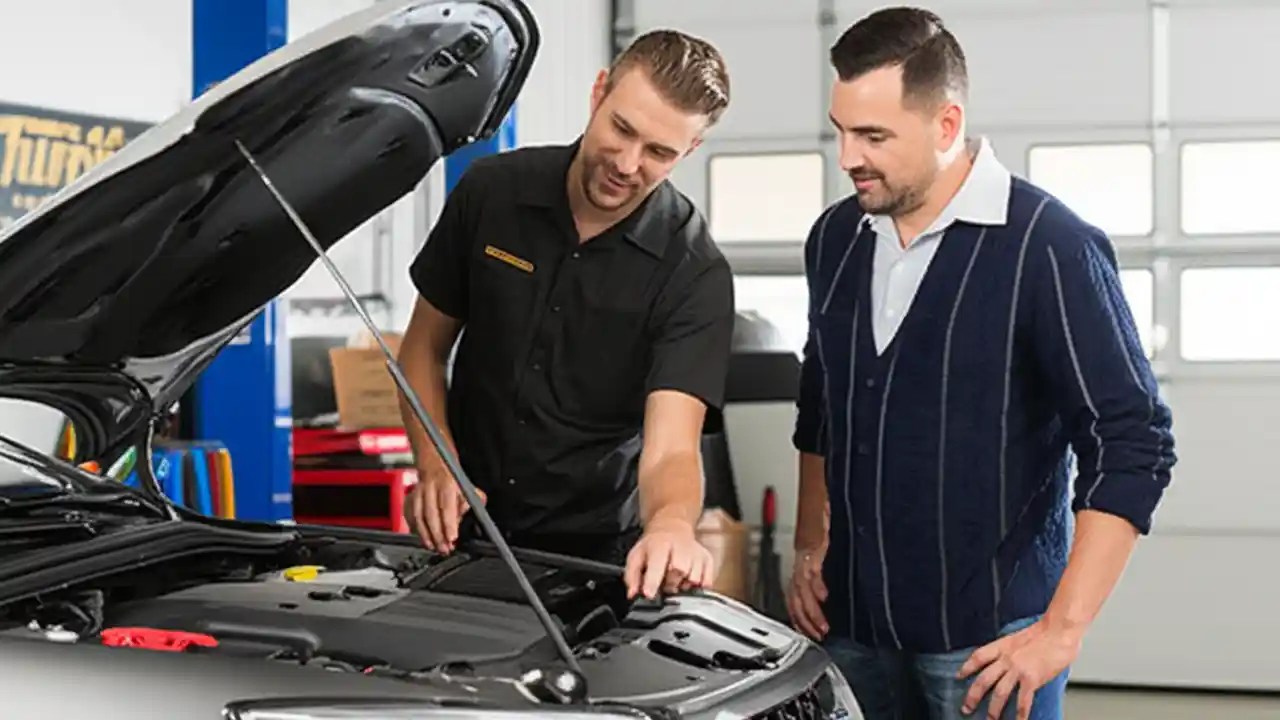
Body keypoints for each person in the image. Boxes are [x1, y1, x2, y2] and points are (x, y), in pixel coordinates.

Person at [785, 7, 1176, 720]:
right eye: (841, 129)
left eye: (873, 136)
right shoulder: (835, 238)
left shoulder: (1048, 246)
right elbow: (821, 400)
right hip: (851, 630)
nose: (847, 157)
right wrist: (811, 541)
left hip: (989, 652)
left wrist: (1062, 631)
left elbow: (1133, 442)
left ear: (945, 125)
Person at [396, 30, 735, 602]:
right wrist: (434, 464)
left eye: (659, 153)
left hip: (596, 560)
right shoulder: (491, 193)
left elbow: (673, 448)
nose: (627, 165)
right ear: (598, 93)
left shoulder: (694, 273)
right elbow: (422, 349)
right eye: (622, 129)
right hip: (461, 538)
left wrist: (672, 526)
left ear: (690, 151)